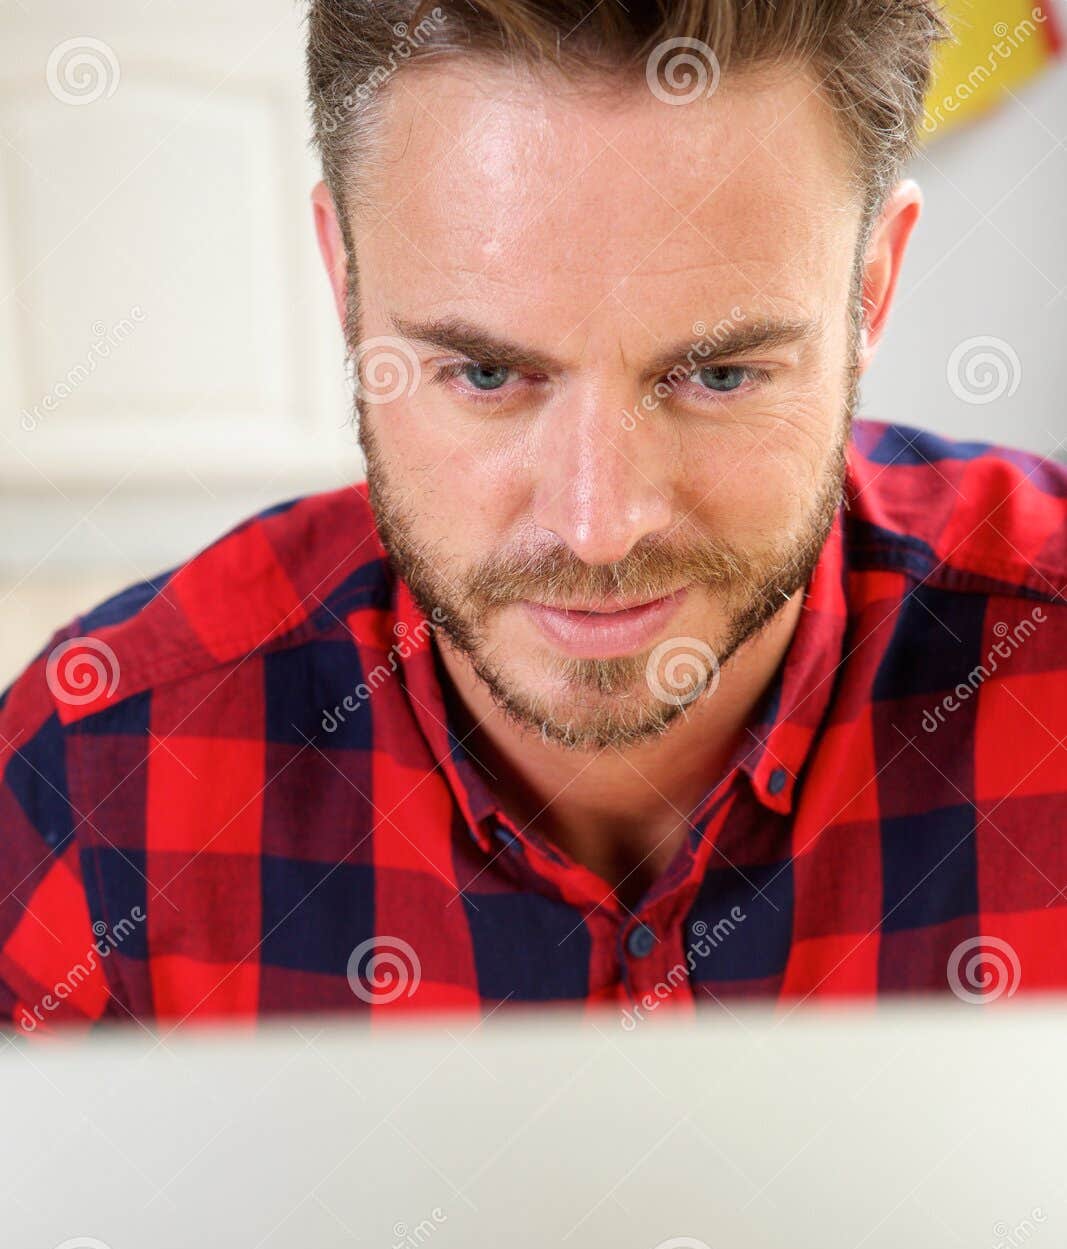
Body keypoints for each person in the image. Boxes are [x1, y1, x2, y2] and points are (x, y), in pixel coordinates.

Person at [2, 0, 1065, 1030]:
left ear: (869, 290)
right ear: (346, 282)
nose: (598, 527)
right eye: (484, 373)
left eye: (719, 375)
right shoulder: (93, 786)